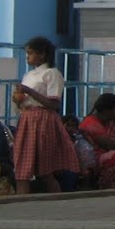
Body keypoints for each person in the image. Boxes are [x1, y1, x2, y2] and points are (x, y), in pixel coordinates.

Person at [11, 35, 79, 192]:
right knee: (22, 169)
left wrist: (29, 91)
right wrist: (18, 98)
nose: (27, 56)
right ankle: (21, 201)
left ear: (42, 54)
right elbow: (25, 101)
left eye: (31, 53)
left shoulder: (51, 73)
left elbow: (53, 104)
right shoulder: (28, 75)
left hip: (43, 120)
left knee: (44, 170)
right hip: (27, 118)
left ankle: (55, 199)